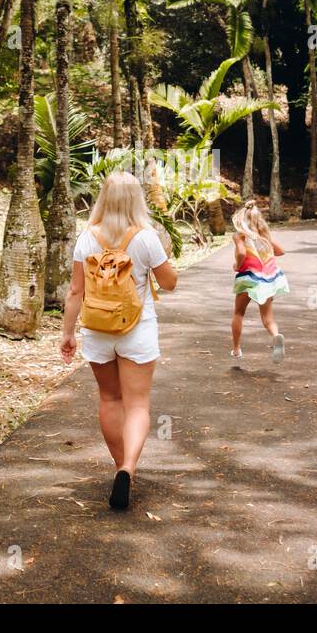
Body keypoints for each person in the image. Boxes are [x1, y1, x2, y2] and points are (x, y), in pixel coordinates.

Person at [60, 171, 178, 511]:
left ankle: (119, 469)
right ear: (136, 199)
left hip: (97, 330)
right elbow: (168, 283)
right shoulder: (145, 237)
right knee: (137, 404)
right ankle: (128, 467)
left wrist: (68, 333)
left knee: (110, 399)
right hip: (136, 330)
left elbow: (75, 291)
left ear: (104, 199)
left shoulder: (87, 237)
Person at [230, 200, 290, 362]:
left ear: (241, 219)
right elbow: (280, 251)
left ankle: (236, 350)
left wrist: (237, 265)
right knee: (268, 319)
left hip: (248, 278)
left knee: (238, 313)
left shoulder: (239, 235)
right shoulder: (263, 236)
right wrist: (265, 245)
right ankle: (276, 336)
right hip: (267, 279)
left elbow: (242, 254)